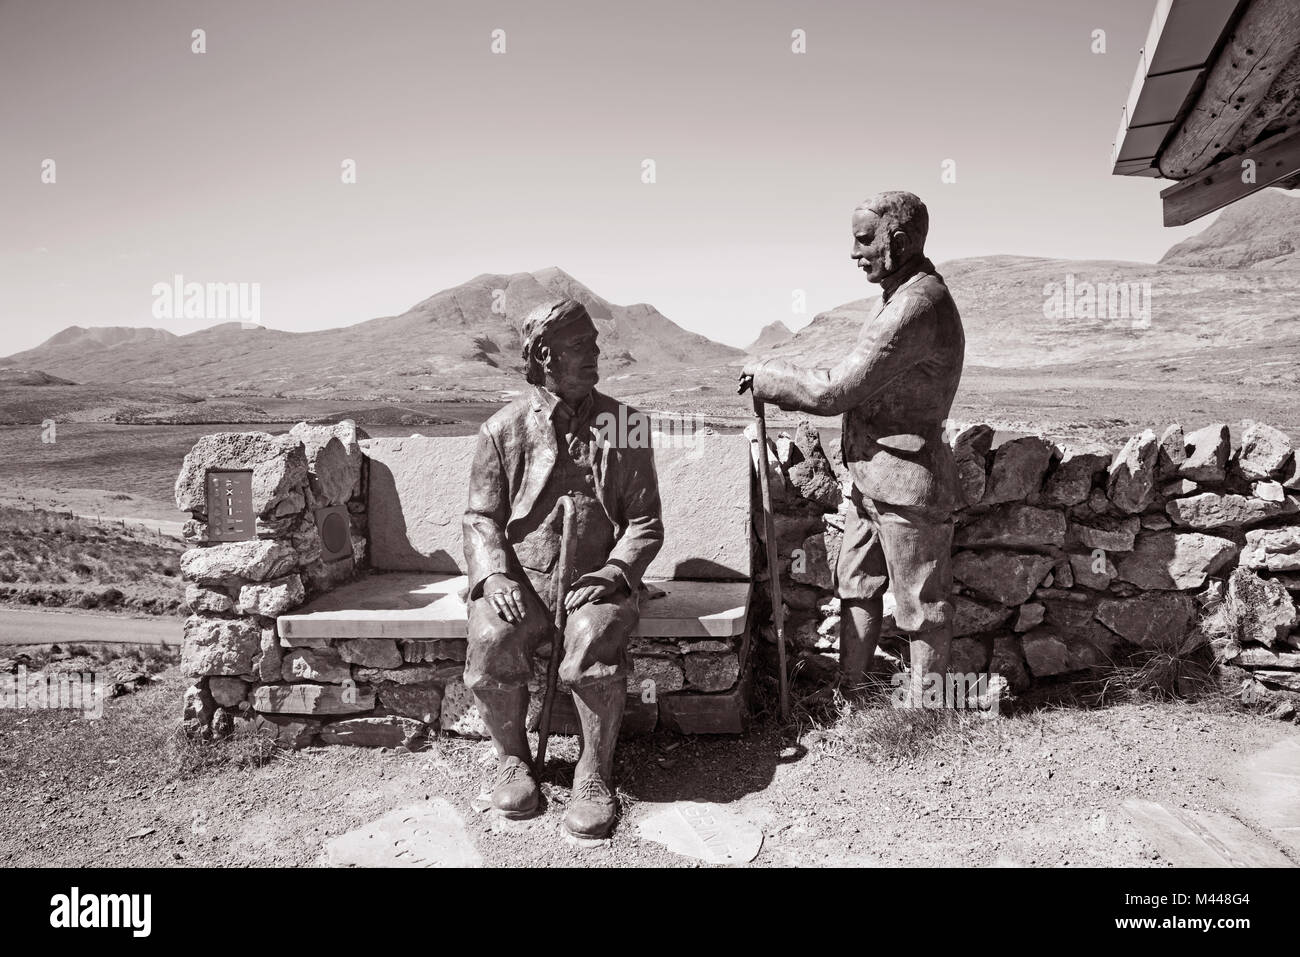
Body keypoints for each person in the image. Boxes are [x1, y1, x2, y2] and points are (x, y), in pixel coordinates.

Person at [739, 191, 965, 703]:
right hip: (871, 476)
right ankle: (852, 691)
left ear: (900, 241)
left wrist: (770, 377)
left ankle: (928, 712)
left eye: (865, 240)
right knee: (857, 583)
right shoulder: (896, 294)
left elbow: (835, 390)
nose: (853, 253)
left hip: (908, 480)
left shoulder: (917, 304)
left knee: (922, 605)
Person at [463, 297, 663, 838]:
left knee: (596, 635)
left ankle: (594, 772)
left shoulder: (628, 425)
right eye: (582, 345)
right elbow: (481, 518)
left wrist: (616, 571)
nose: (596, 353)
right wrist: (495, 575)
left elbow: (646, 521)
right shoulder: (501, 430)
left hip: (596, 580)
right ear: (546, 355)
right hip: (522, 581)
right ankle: (513, 760)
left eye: (595, 343)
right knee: (491, 635)